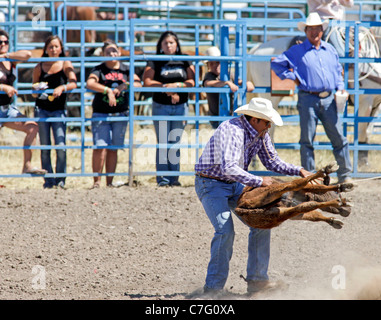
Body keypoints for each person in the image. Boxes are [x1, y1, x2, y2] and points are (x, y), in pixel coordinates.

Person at [194, 97, 315, 296]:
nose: (269, 126)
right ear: (255, 119)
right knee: (225, 231)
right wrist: (259, 181)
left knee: (262, 222)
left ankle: (258, 281)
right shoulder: (231, 130)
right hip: (211, 183)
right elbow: (229, 167)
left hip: (235, 183)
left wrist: (299, 170)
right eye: (267, 122)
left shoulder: (260, 133)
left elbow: (272, 162)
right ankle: (213, 289)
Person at [271, 12, 352, 184]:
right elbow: (277, 63)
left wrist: (341, 88)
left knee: (338, 137)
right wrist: (293, 77)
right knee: (307, 139)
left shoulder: (330, 50)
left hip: (330, 99)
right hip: (308, 98)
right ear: (306, 31)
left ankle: (345, 176)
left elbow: (338, 71)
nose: (314, 32)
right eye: (311, 29)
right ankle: (311, 179)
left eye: (317, 28)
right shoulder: (298, 50)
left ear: (322, 31)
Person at [143, 31, 195, 187]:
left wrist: (177, 86)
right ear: (160, 46)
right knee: (163, 143)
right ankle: (163, 179)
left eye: (171, 42)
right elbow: (147, 81)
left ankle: (174, 178)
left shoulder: (185, 60)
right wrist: (165, 87)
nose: (169, 45)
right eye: (165, 43)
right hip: (161, 106)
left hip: (180, 107)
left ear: (177, 44)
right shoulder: (155, 60)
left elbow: (192, 81)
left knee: (175, 143)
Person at [86, 40, 142, 188]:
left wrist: (125, 85)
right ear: (103, 54)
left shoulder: (126, 69)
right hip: (101, 113)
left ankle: (109, 182)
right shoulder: (99, 69)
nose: (112, 54)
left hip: (120, 113)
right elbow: (90, 83)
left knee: (113, 148)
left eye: (114, 51)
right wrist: (107, 90)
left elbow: (138, 83)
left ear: (119, 52)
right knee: (100, 147)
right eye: (108, 52)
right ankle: (97, 182)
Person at [32, 35, 77, 189]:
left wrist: (62, 88)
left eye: (56, 46)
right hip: (42, 109)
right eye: (51, 47)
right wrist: (38, 89)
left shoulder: (65, 63)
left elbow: (73, 83)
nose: (53, 50)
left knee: (61, 145)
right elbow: (32, 91)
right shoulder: (39, 66)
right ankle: (48, 180)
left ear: (61, 48)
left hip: (58, 110)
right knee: (45, 147)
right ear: (46, 49)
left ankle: (60, 179)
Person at [0, 29, 46, 175]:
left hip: (7, 109)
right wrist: (2, 87)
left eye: (5, 42)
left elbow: (27, 54)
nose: (2, 44)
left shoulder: (11, 60)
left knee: (32, 127)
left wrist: (5, 55)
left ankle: (27, 165)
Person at [202, 46, 254, 128]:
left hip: (231, 114)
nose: (215, 66)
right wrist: (227, 83)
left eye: (218, 62)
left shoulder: (228, 74)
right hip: (216, 116)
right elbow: (208, 83)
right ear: (208, 66)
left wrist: (247, 83)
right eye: (211, 63)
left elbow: (239, 81)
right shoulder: (209, 76)